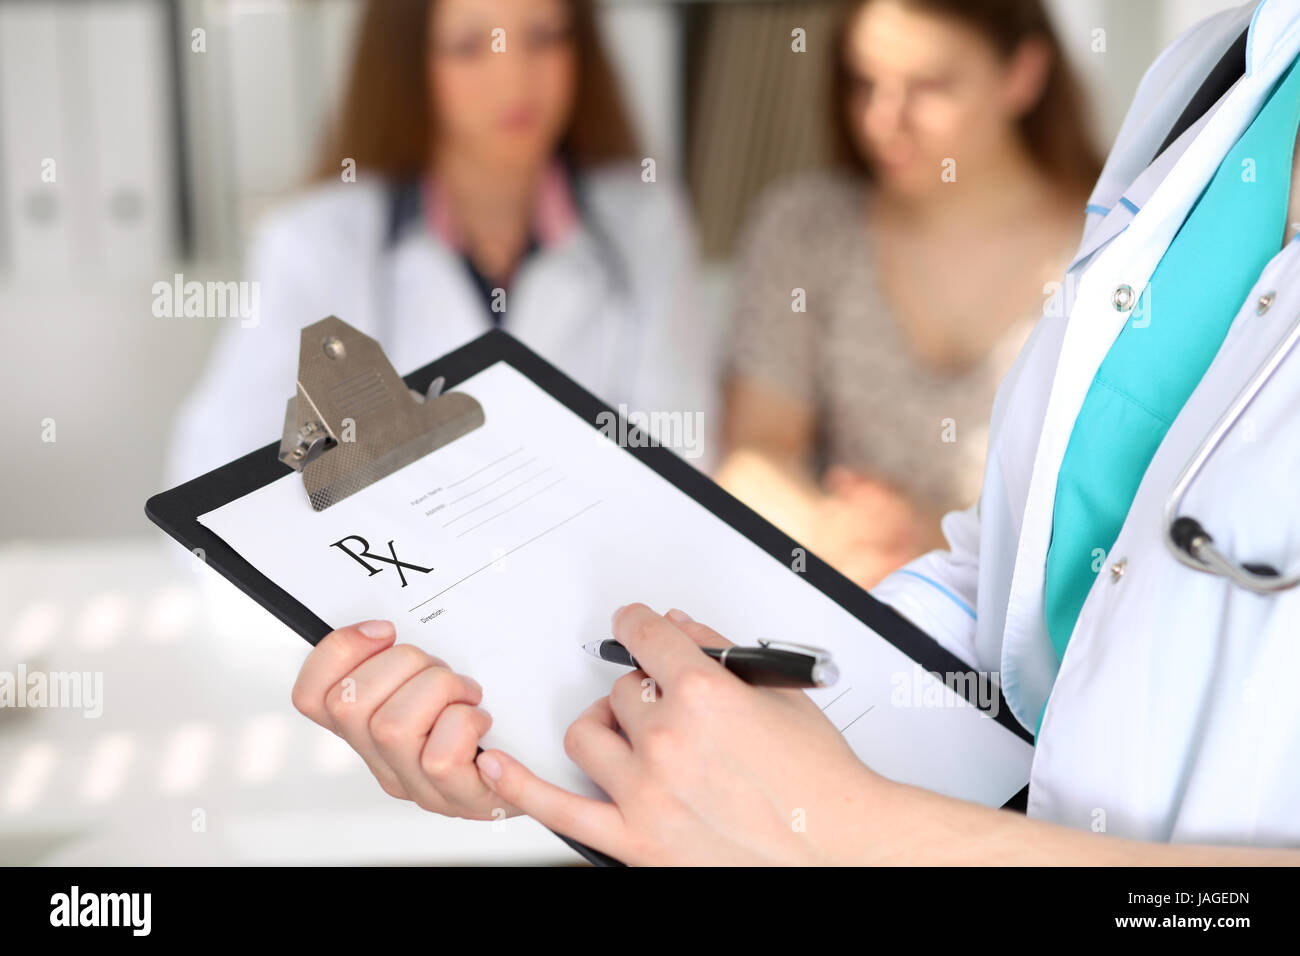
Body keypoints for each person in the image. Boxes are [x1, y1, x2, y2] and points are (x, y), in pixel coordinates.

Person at [289, 0, 1300, 863]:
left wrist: (860, 831)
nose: (887, 120)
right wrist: (561, 723)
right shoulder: (1217, 82)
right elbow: (1021, 576)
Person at [166, 0, 713, 487]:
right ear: (407, 63)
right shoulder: (317, 241)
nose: (514, 77)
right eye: (468, 46)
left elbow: (684, 456)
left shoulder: (644, 225)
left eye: (545, 35)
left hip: (595, 590)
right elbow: (221, 471)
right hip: (391, 592)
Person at [718, 0, 1100, 588]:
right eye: (864, 84)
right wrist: (828, 530)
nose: (883, 121)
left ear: (1022, 74)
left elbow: (1112, 516)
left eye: (930, 86)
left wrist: (931, 542)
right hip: (845, 596)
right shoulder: (806, 227)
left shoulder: (1111, 254)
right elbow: (754, 452)